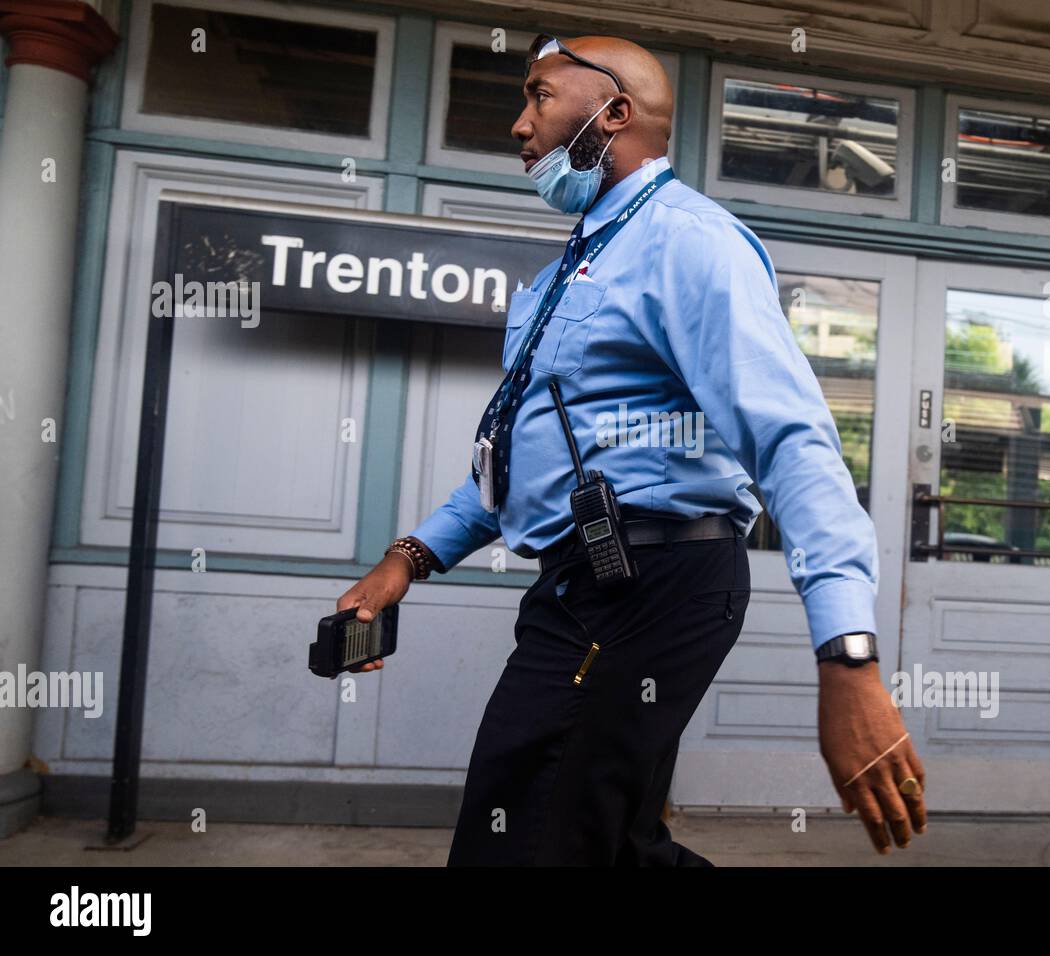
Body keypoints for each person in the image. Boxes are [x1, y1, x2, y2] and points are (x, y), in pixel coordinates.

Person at [336, 33, 926, 865]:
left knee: (522, 836)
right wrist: (410, 555)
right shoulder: (562, 277)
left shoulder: (690, 242)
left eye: (539, 97)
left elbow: (791, 439)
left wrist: (849, 656)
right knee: (605, 842)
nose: (518, 124)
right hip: (583, 587)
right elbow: (513, 458)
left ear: (612, 114)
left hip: (650, 582)